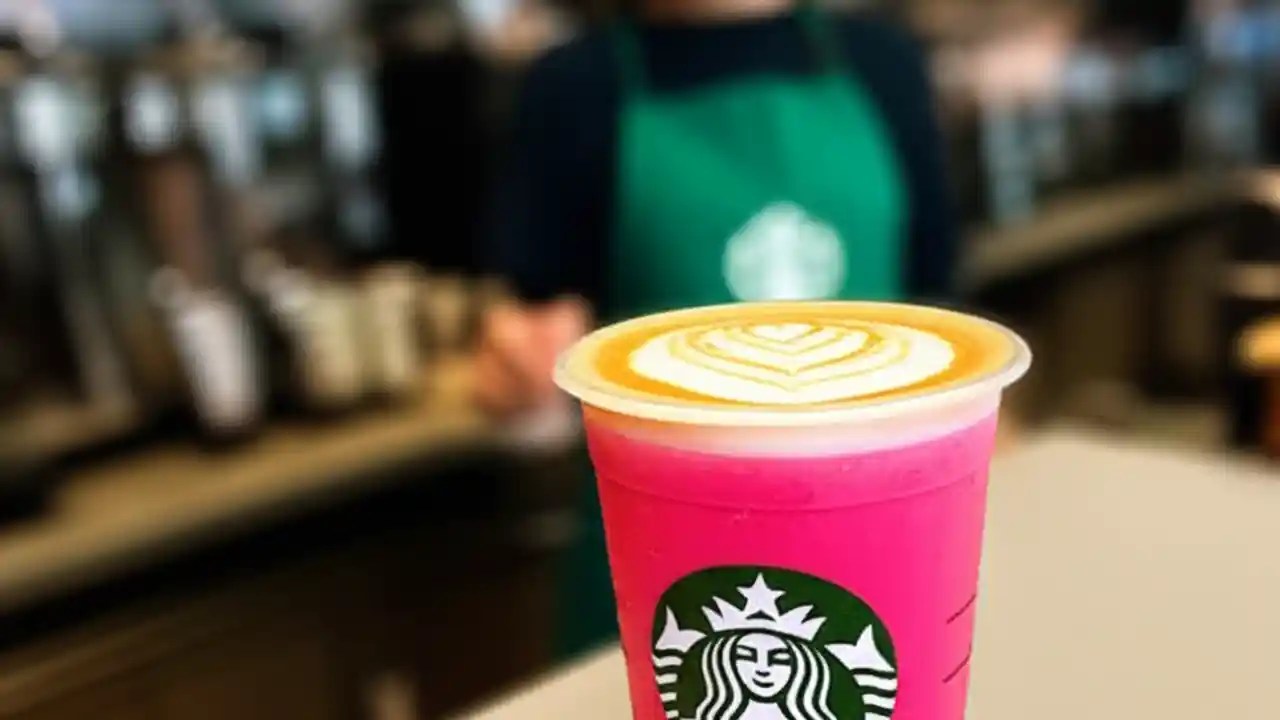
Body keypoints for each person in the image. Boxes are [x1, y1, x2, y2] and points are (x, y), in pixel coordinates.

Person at [475, 0, 958, 655]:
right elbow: (537, 346)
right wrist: (521, 387)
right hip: (661, 563)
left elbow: (944, 317)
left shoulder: (882, 63)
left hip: (882, 533)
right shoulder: (573, 88)